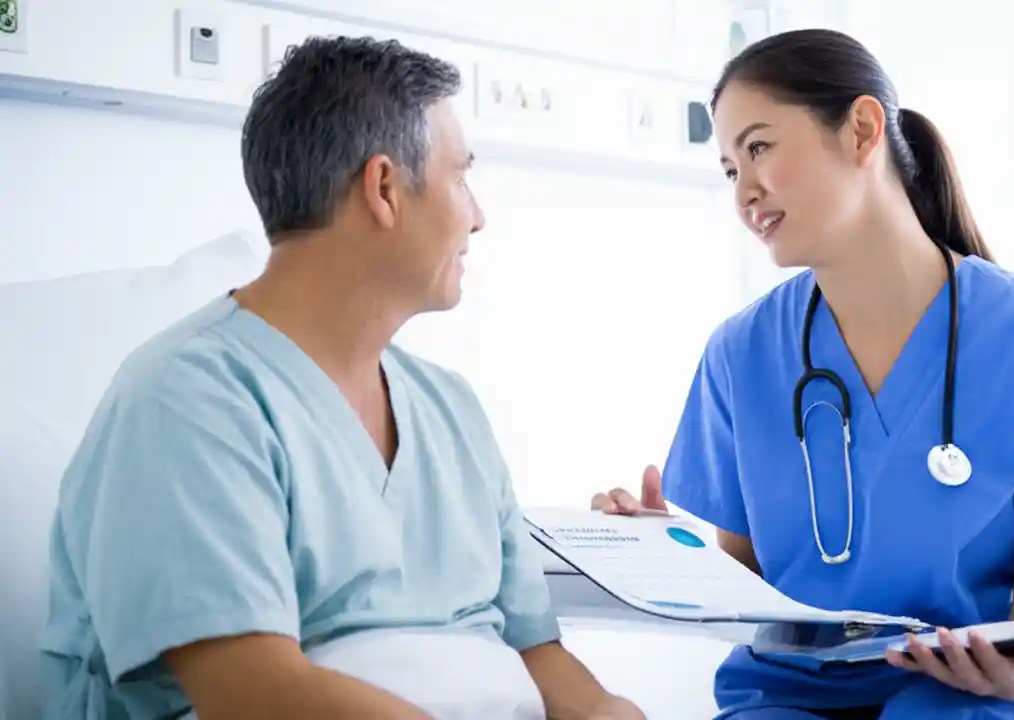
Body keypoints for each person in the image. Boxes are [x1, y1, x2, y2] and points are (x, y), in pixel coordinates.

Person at [41, 36, 643, 720]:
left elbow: (535, 651)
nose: (478, 216)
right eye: (461, 178)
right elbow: (254, 693)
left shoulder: (451, 409)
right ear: (384, 188)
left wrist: (605, 711)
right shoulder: (186, 401)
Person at [593, 28, 1014, 720]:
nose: (745, 190)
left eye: (760, 147)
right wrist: (654, 557)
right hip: (789, 698)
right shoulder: (740, 355)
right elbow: (744, 583)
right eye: (731, 169)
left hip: (975, 702)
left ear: (861, 129)